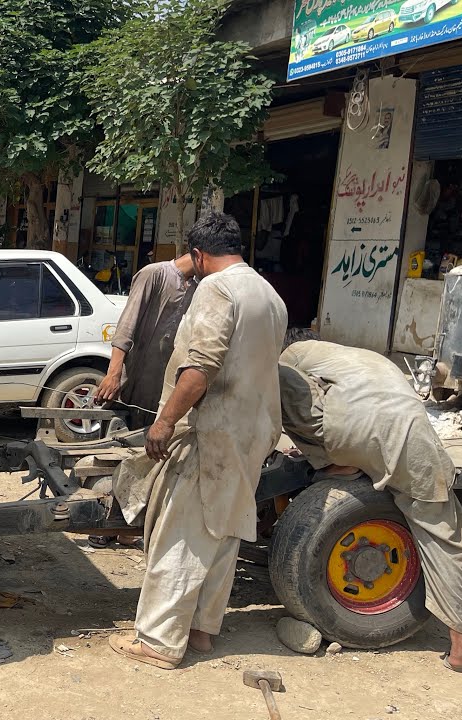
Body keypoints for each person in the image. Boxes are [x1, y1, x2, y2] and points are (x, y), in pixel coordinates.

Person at [109, 212, 287, 669]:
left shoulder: (216, 289)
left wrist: (165, 421)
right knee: (224, 529)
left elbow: (200, 366)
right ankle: (203, 631)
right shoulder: (268, 294)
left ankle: (159, 641)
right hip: (254, 431)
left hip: (213, 429)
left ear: (198, 255)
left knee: (181, 532)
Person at [278, 340, 462, 672]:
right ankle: (461, 647)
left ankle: (337, 463)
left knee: (277, 381)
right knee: (445, 537)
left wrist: (312, 449)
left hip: (345, 433)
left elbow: (291, 394)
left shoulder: (292, 357)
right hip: (407, 436)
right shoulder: (369, 362)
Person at [95, 252, 197, 425]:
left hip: (161, 385)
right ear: (200, 256)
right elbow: (126, 326)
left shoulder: (197, 287)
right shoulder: (154, 274)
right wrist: (114, 374)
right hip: (133, 379)